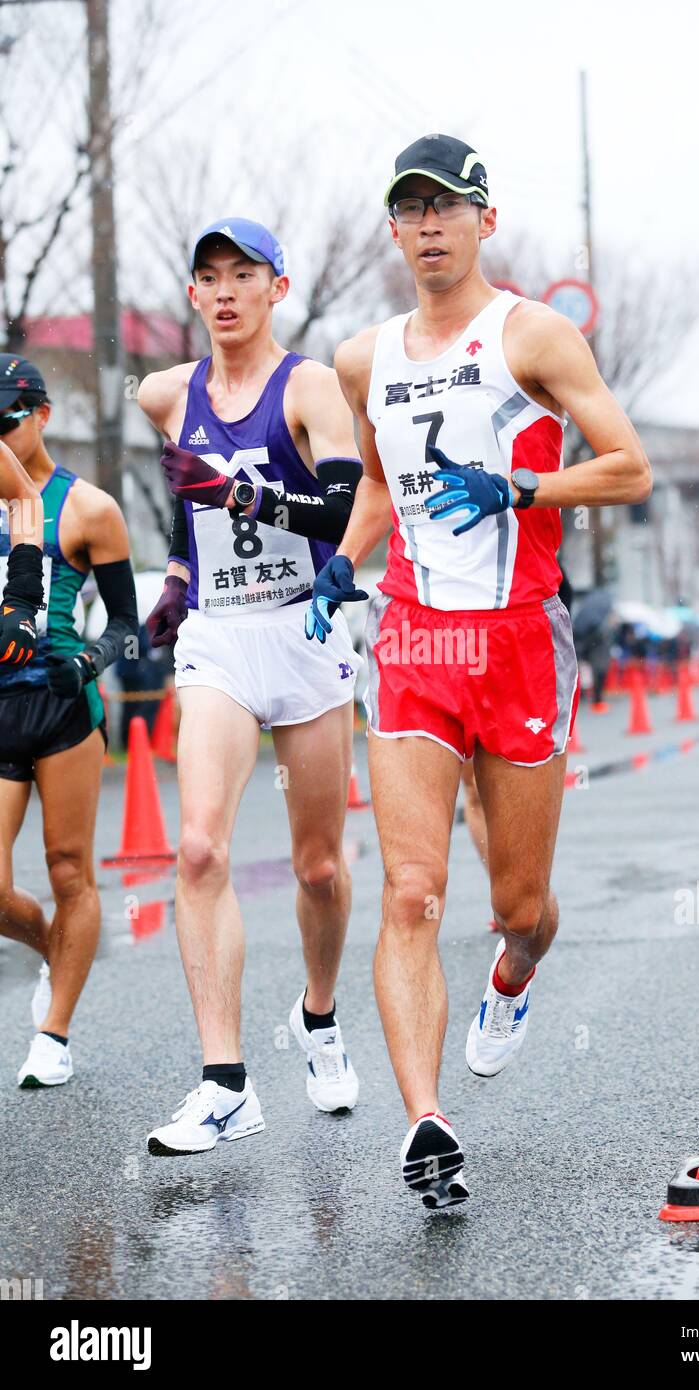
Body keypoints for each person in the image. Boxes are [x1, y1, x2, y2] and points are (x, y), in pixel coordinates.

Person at [307, 135, 652, 1208]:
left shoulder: (534, 335)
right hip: (411, 639)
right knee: (410, 891)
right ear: (395, 227)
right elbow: (374, 481)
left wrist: (522, 489)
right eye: (407, 209)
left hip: (516, 638)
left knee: (518, 902)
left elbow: (628, 467)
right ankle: (426, 1120)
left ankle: (514, 978)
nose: (425, 226)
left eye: (444, 207)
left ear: (482, 220)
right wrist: (343, 559)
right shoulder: (363, 358)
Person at [139, 218, 364, 1156]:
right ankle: (226, 1083)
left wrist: (252, 498)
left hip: (305, 635)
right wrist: (178, 583)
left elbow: (343, 504)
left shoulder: (308, 385)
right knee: (196, 851)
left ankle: (318, 1012)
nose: (225, 291)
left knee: (317, 866)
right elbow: (183, 507)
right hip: (221, 644)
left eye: (244, 274)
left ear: (278, 286)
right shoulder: (164, 393)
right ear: (193, 296)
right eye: (209, 278)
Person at [0, 353, 137, 1088]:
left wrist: (88, 663)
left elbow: (128, 625)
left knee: (66, 868)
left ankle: (54, 1034)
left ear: (42, 415)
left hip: (61, 703)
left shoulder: (88, 508)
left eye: (7, 419)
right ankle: (59, 950)